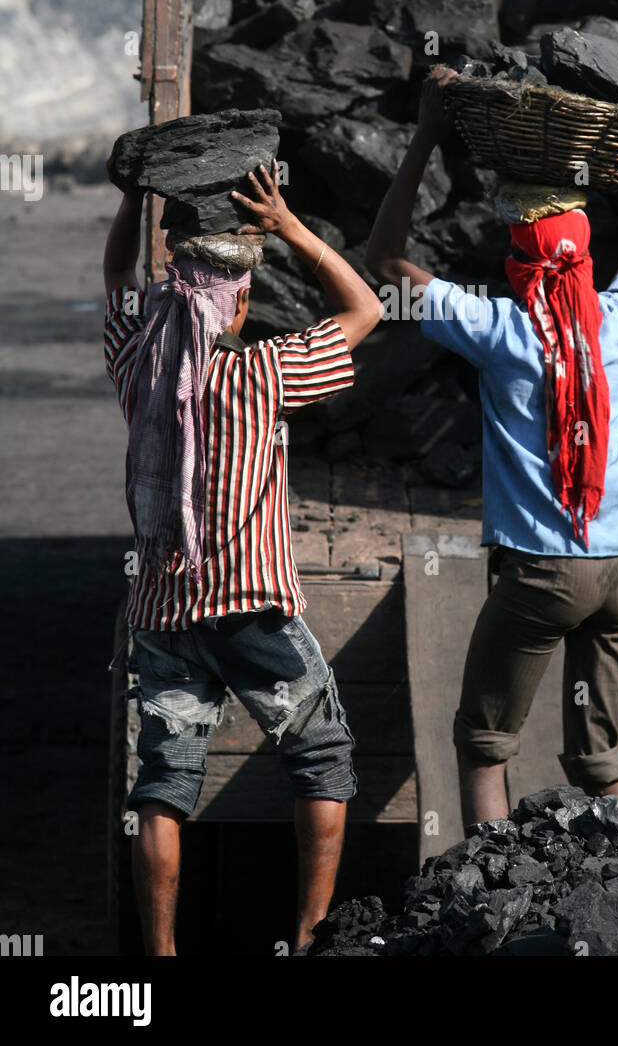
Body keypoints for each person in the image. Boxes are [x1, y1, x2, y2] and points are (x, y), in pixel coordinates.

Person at [366, 66, 618, 831]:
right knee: (599, 762)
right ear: (583, 257)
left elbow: (386, 261)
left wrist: (429, 131)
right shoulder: (614, 321)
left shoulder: (499, 330)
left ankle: (487, 890)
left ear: (520, 259)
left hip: (543, 575)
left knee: (484, 743)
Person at [103, 156, 382, 954]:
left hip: (161, 618)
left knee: (162, 789)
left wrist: (131, 199)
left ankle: (160, 956)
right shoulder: (263, 372)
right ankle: (306, 937)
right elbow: (365, 306)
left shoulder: (135, 370)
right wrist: (290, 226)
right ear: (241, 300)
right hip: (252, 614)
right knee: (321, 759)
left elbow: (115, 276)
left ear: (169, 291)